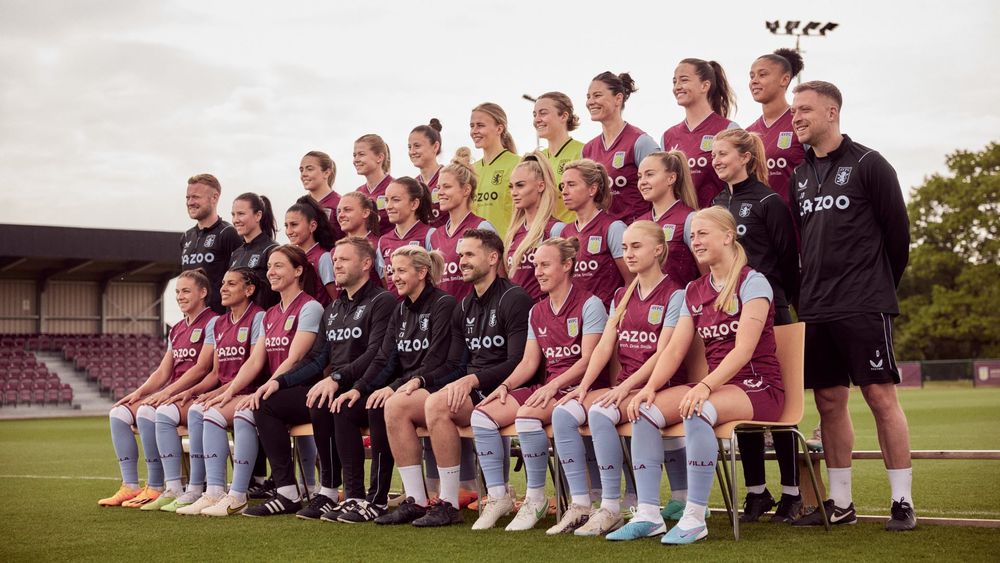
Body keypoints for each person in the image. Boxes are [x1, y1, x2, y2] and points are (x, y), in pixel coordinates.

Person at [788, 81, 915, 531]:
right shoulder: (799, 175)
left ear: (832, 112)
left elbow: (898, 237)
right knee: (828, 402)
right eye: (793, 111)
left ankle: (902, 500)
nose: (796, 117)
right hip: (817, 306)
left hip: (864, 302)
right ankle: (840, 503)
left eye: (804, 110)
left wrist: (877, 287)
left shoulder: (869, 163)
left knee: (881, 396)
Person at [625, 206, 785, 545]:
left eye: (703, 233)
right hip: (716, 387)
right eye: (692, 235)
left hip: (758, 386)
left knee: (697, 409)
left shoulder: (753, 282)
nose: (695, 241)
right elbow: (673, 350)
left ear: (728, 236)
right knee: (643, 412)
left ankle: (695, 517)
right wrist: (649, 388)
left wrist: (704, 386)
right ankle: (649, 515)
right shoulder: (693, 290)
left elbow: (743, 351)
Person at [383, 229, 532, 527]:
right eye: (460, 254)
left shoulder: (515, 298)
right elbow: (454, 364)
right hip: (473, 393)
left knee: (437, 405)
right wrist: (422, 381)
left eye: (469, 255)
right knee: (397, 405)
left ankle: (448, 503)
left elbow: (518, 362)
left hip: (508, 392)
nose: (461, 261)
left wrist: (472, 381)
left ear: (492, 258)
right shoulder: (464, 305)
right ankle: (417, 500)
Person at [548, 221, 688, 536]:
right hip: (624, 388)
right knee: (565, 411)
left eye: (636, 246)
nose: (628, 253)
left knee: (599, 413)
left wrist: (623, 387)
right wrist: (583, 388)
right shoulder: (622, 295)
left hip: (658, 387)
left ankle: (613, 506)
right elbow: (602, 348)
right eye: (624, 247)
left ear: (658, 248)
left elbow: (662, 354)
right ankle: (583, 505)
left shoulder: (675, 294)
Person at [469, 237, 607, 531]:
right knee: (482, 414)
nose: (538, 272)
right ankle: (498, 497)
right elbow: (529, 363)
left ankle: (536, 498)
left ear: (567, 265)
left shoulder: (590, 304)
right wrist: (504, 386)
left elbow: (589, 360)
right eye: (536, 266)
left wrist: (551, 386)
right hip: (550, 387)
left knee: (528, 415)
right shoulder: (537, 310)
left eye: (546, 265)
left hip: (585, 388)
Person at [257, 236, 397, 521]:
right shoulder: (334, 309)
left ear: (367, 263)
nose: (336, 265)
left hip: (370, 386)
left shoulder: (382, 301)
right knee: (266, 402)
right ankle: (294, 492)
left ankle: (353, 495)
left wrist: (337, 377)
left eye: (344, 259)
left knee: (329, 402)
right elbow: (318, 358)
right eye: (334, 260)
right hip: (338, 385)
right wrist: (279, 382)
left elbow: (377, 354)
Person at [326, 245, 457, 525]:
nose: (393, 276)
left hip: (436, 384)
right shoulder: (400, 310)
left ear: (422, 272)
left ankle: (378, 498)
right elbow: (385, 358)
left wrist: (395, 385)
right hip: (407, 388)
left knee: (383, 405)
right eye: (391, 270)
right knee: (346, 407)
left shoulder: (443, 304)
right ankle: (357, 496)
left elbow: (436, 360)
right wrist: (358, 388)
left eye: (401, 270)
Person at [710, 127, 802, 522]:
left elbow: (787, 260)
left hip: (771, 310)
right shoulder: (716, 202)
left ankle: (793, 494)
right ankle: (756, 493)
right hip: (729, 316)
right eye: (713, 154)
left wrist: (778, 302)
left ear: (746, 156)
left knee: (779, 407)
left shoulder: (768, 201)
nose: (715, 160)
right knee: (740, 398)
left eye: (723, 153)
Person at [203, 245, 325, 517]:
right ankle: (283, 491)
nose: (271, 271)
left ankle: (273, 491)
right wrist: (229, 392)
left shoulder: (310, 307)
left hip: (305, 390)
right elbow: (255, 361)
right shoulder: (270, 314)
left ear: (298, 271)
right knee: (254, 405)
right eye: (269, 266)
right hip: (278, 392)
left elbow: (295, 358)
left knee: (258, 406)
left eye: (279, 266)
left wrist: (270, 386)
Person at [98, 270, 216, 508]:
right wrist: (139, 393)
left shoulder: (213, 322)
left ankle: (161, 486)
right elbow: (163, 372)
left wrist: (167, 393)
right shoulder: (177, 328)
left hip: (194, 395)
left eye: (185, 291)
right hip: (172, 394)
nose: (180, 296)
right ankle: (130, 486)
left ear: (202, 293)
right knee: (119, 413)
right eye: (177, 292)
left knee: (149, 412)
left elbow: (202, 368)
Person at [168, 268, 267, 516]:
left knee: (213, 413)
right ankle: (209, 490)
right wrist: (199, 392)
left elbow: (253, 365)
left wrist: (223, 393)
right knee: (197, 410)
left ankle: (237, 494)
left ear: (249, 290)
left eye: (231, 283)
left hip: (251, 391)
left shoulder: (258, 317)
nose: (222, 288)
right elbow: (214, 372)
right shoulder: (220, 323)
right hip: (229, 392)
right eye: (222, 282)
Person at [581, 71, 660, 223]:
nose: (590, 102)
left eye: (597, 95)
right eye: (588, 97)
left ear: (618, 98)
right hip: (602, 237)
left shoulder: (640, 142)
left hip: (636, 233)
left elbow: (663, 188)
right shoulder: (588, 149)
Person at [661, 58, 739, 209]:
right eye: (674, 81)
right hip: (681, 225)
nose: (677, 86)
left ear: (705, 85)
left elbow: (741, 180)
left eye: (684, 80)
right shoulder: (668, 136)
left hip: (717, 221)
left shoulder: (727, 128)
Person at [559, 158, 630, 307]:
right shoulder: (565, 232)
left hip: (605, 318)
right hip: (573, 320)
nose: (564, 192)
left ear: (592, 189)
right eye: (562, 186)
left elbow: (631, 281)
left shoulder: (614, 228)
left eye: (571, 185)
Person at [428, 148, 497, 300]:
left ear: (466, 190)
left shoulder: (481, 227)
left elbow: (498, 278)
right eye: (438, 188)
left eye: (447, 187)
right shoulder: (434, 235)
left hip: (474, 316)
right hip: (444, 318)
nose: (440, 192)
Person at [503, 152, 566, 302]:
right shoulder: (513, 233)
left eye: (520, 185)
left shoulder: (556, 230)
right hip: (515, 318)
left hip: (544, 316)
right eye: (511, 187)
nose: (514, 193)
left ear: (540, 186)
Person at [747, 49, 807, 207]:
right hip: (759, 223)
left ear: (784, 79)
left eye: (762, 74)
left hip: (795, 221)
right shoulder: (748, 134)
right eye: (752, 76)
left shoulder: (800, 123)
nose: (754, 81)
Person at [181, 173, 242, 314]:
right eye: (188, 197)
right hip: (192, 321)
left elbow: (240, 281)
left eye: (195, 197)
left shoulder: (228, 233)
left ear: (214, 197)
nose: (190, 202)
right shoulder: (186, 236)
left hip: (219, 321)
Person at [375, 177, 436, 298]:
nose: (388, 206)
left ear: (414, 204)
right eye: (386, 200)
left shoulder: (430, 235)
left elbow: (437, 279)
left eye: (396, 200)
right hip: (396, 312)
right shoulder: (383, 241)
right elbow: (387, 283)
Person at [470, 102, 519, 239]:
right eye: (472, 126)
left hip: (506, 249)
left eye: (480, 125)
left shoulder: (518, 164)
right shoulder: (471, 170)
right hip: (476, 252)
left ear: (499, 129)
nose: (474, 131)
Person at [534, 91, 582, 223]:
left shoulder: (584, 151)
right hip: (543, 237)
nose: (537, 119)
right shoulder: (536, 158)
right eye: (535, 114)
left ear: (564, 116)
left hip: (572, 235)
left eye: (543, 113)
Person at [230, 192, 280, 308]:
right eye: (233, 214)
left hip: (261, 321)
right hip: (238, 323)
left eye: (241, 214)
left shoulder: (272, 250)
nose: (236, 220)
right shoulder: (236, 254)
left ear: (258, 215)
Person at [285, 196, 338, 306]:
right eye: (286, 226)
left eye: (294, 225)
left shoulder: (323, 258)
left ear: (312, 226)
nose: (289, 231)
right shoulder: (290, 257)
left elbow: (335, 299)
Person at [409, 120, 448, 227]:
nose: (412, 151)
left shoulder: (451, 177)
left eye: (417, 146)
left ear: (435, 147)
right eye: (409, 147)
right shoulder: (412, 184)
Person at [354, 133, 395, 235]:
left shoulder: (396, 187)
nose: (356, 160)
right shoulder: (358, 192)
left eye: (361, 154)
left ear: (380, 157)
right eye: (354, 155)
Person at [300, 150, 345, 240]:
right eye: (301, 170)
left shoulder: (340, 203)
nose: (304, 174)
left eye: (309, 169)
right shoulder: (301, 205)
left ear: (326, 173)